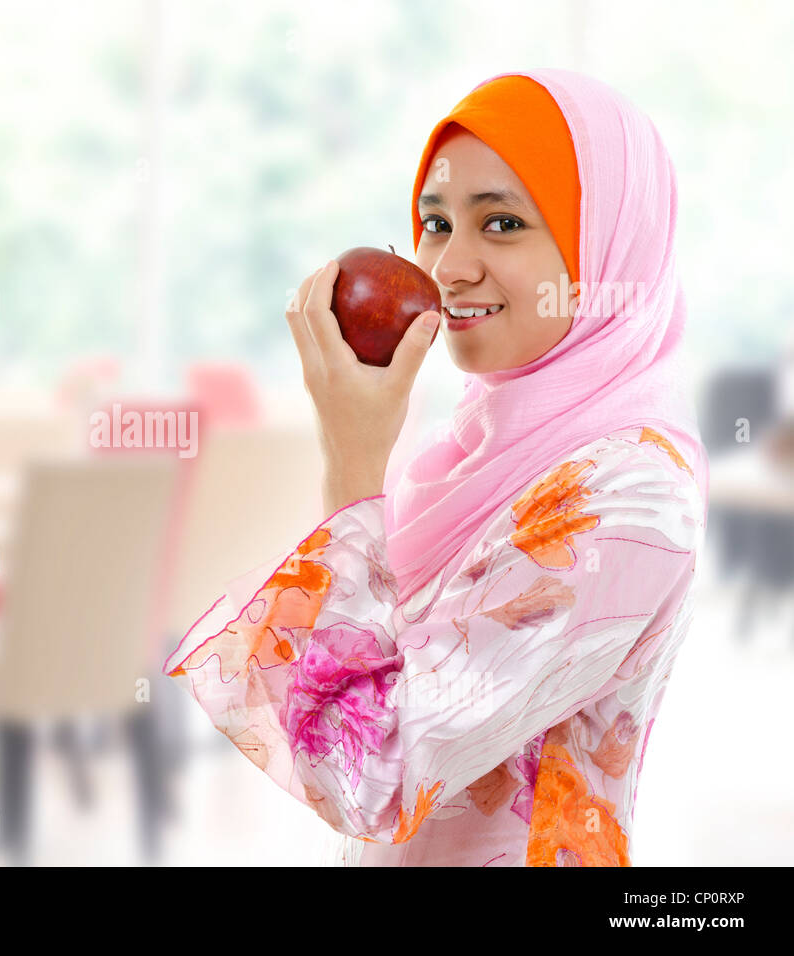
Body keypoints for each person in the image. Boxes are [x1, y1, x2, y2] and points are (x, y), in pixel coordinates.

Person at [163, 68, 709, 866]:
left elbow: (370, 775)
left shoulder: (629, 497)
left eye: (503, 224)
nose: (448, 267)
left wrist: (352, 458)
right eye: (434, 221)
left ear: (606, 244)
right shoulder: (478, 459)